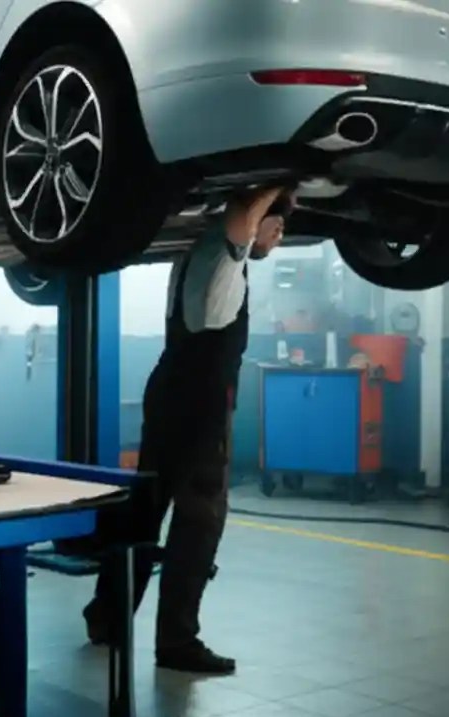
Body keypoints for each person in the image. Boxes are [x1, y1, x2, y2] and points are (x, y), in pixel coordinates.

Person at [83, 185, 293, 674]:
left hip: (171, 392)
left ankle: (106, 619)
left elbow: (240, 220)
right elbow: (241, 218)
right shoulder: (225, 253)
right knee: (199, 522)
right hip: (200, 403)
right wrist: (279, 182)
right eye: (276, 223)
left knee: (144, 510)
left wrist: (276, 200)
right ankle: (177, 641)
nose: (281, 232)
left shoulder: (197, 249)